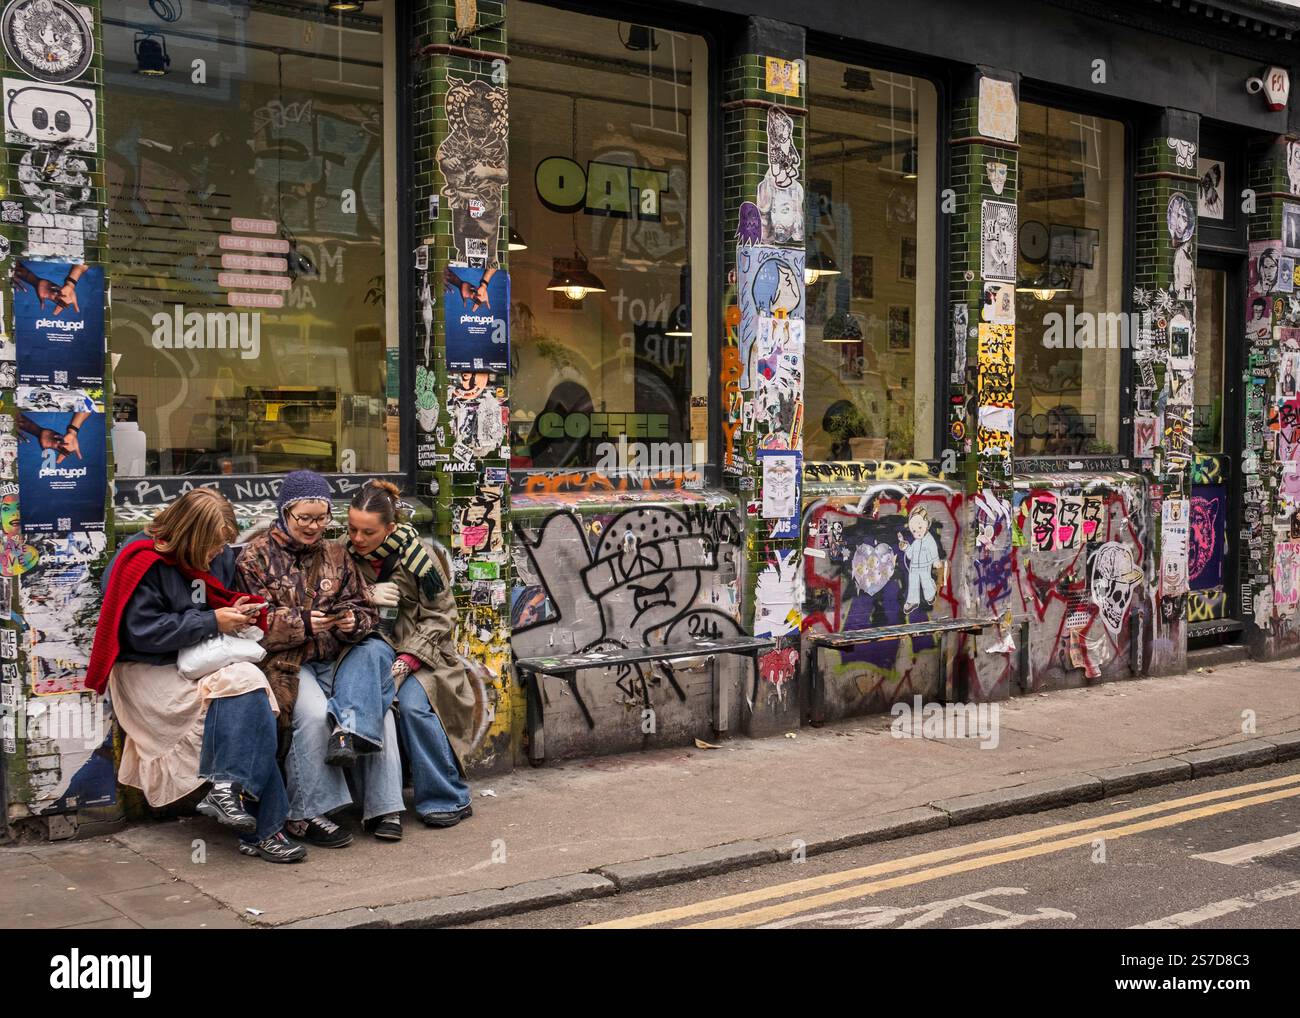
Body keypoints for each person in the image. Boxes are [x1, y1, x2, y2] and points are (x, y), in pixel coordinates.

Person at [86, 489, 304, 863]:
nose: (219, 554)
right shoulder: (138, 560)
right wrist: (211, 620)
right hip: (150, 671)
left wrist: (230, 610)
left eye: (223, 545)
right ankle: (263, 828)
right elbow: (141, 632)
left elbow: (210, 599)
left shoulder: (215, 556)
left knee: (250, 687)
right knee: (249, 698)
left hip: (198, 657)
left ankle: (226, 790)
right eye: (213, 545)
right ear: (190, 535)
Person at [236, 470, 405, 845]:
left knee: (380, 712)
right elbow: (250, 624)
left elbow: (365, 610)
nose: (314, 526)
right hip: (289, 664)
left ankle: (384, 807)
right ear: (285, 513)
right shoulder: (255, 557)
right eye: (305, 518)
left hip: (339, 655)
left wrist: (350, 622)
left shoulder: (336, 553)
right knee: (312, 716)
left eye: (322, 517)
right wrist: (303, 623)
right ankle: (309, 813)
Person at [346, 480, 475, 828]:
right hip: (368, 652)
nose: (358, 539)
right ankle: (369, 800)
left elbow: (442, 616)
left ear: (389, 528)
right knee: (363, 705)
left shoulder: (420, 558)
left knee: (417, 707)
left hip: (425, 657)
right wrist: (367, 593)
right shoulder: (341, 556)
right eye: (352, 529)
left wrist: (409, 659)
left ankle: (447, 796)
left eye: (367, 532)